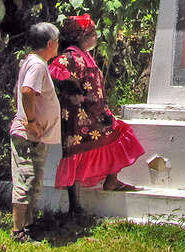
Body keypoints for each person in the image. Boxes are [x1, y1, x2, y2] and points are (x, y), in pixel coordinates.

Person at [50, 14, 144, 213]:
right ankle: (75, 206)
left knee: (118, 135)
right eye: (93, 33)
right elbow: (55, 71)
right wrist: (75, 92)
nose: (96, 37)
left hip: (96, 113)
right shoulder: (71, 56)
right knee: (76, 153)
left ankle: (111, 181)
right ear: (83, 36)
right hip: (79, 116)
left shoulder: (84, 54)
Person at [8, 22, 61, 243]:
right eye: (57, 43)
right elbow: (27, 91)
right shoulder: (37, 65)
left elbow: (19, 93)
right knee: (26, 180)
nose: (58, 47)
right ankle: (18, 230)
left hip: (34, 135)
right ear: (50, 44)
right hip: (28, 134)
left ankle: (28, 226)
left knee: (34, 180)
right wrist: (30, 121)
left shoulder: (33, 63)